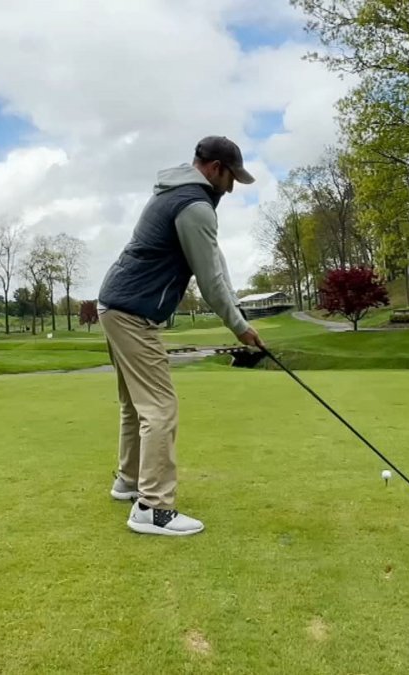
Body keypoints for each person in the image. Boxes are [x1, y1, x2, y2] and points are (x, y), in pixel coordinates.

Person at [97, 135, 267, 536]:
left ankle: (129, 481)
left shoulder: (178, 195)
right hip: (133, 312)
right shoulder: (194, 205)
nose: (231, 188)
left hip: (113, 304)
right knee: (160, 407)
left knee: (135, 405)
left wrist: (240, 315)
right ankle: (152, 508)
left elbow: (216, 262)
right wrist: (240, 327)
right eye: (231, 179)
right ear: (214, 168)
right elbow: (209, 282)